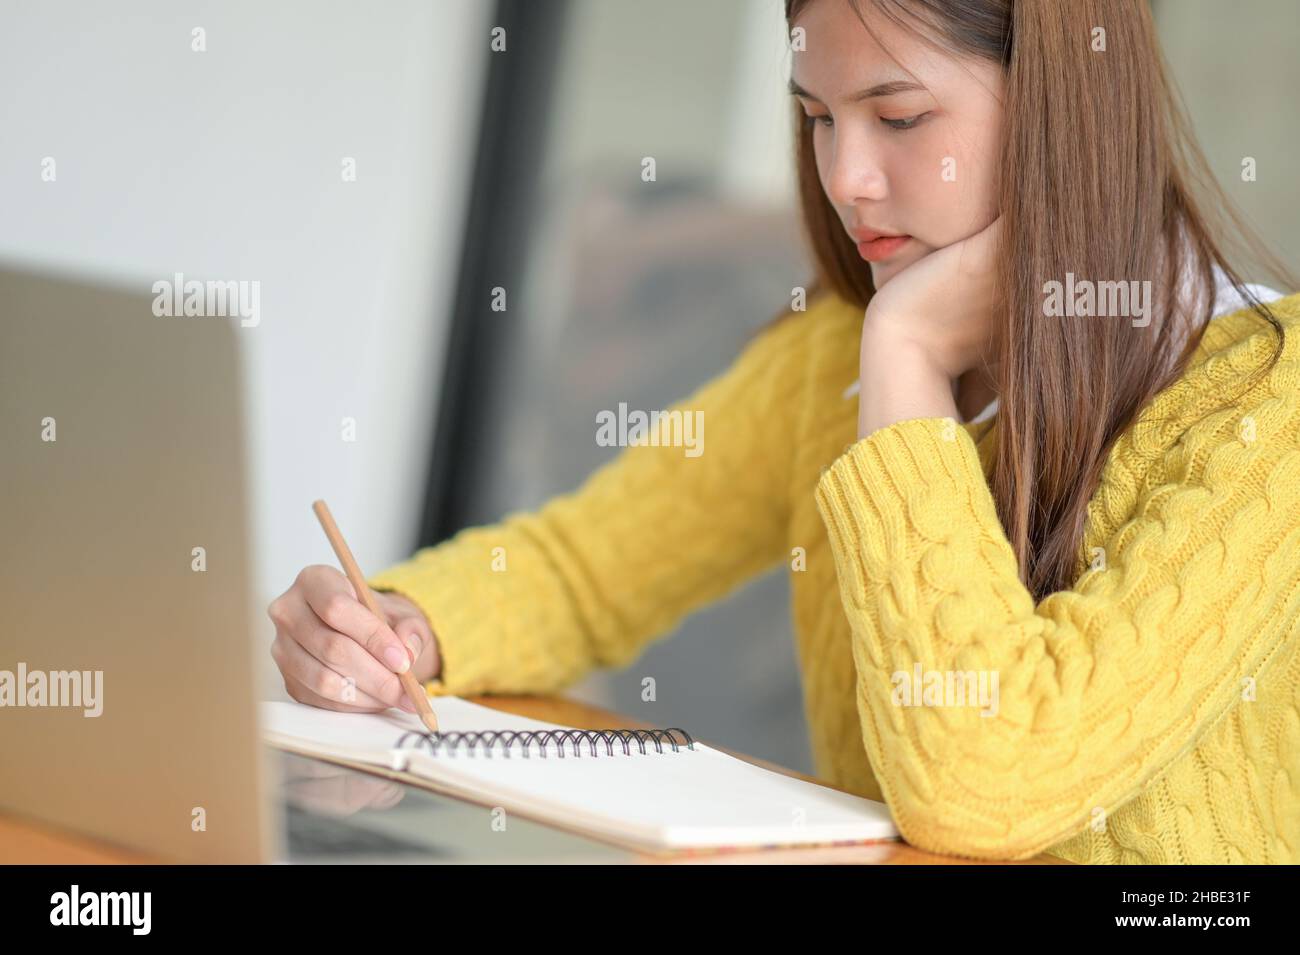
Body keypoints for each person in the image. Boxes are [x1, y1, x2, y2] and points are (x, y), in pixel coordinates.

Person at [268, 0, 1300, 864]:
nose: (845, 177)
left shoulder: (1266, 405)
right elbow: (581, 571)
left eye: (898, 117)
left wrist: (905, 357)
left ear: (1061, 115)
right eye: (817, 117)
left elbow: (989, 780)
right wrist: (401, 627)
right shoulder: (828, 359)